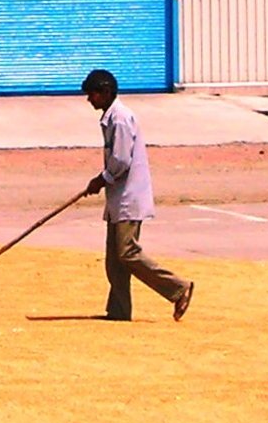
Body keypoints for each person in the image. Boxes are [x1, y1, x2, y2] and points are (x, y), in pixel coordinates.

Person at [82, 70, 194, 322]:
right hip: (118, 199)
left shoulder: (120, 119)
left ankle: (177, 288)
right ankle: (119, 311)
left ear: (107, 92)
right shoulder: (111, 118)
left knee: (127, 252)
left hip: (128, 198)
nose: (90, 99)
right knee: (114, 261)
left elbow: (121, 160)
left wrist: (101, 180)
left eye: (93, 93)